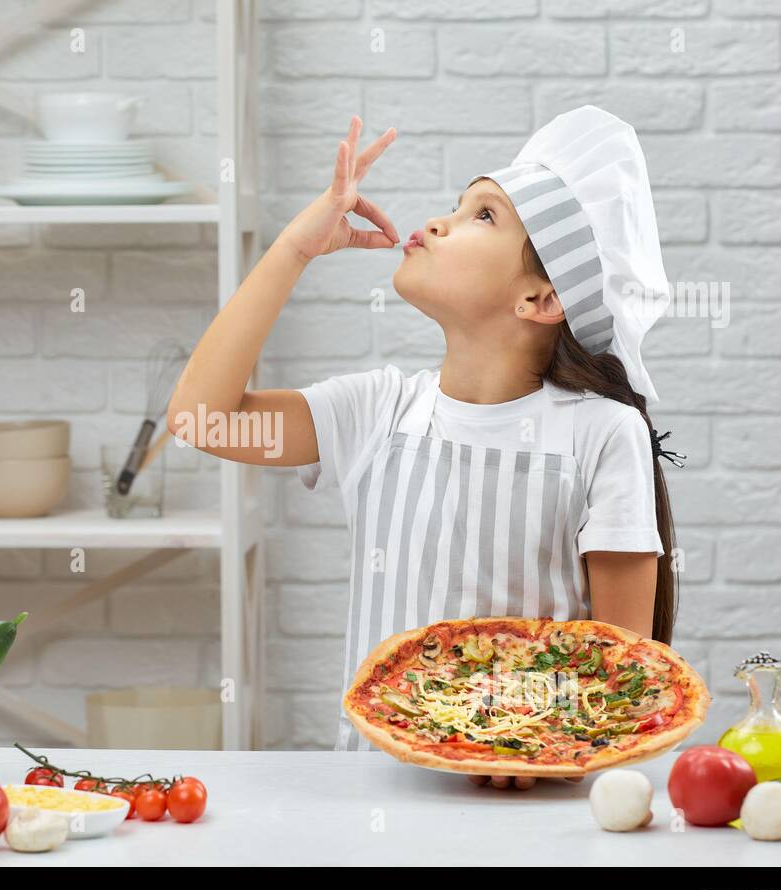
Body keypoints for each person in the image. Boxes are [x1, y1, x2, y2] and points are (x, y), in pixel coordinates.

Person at [167, 106, 683, 789]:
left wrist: (541, 746)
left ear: (541, 297)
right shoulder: (376, 411)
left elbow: (625, 669)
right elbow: (202, 421)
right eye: (455, 206)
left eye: (484, 216)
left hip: (537, 802)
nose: (438, 222)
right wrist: (294, 248)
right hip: (375, 791)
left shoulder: (601, 433)